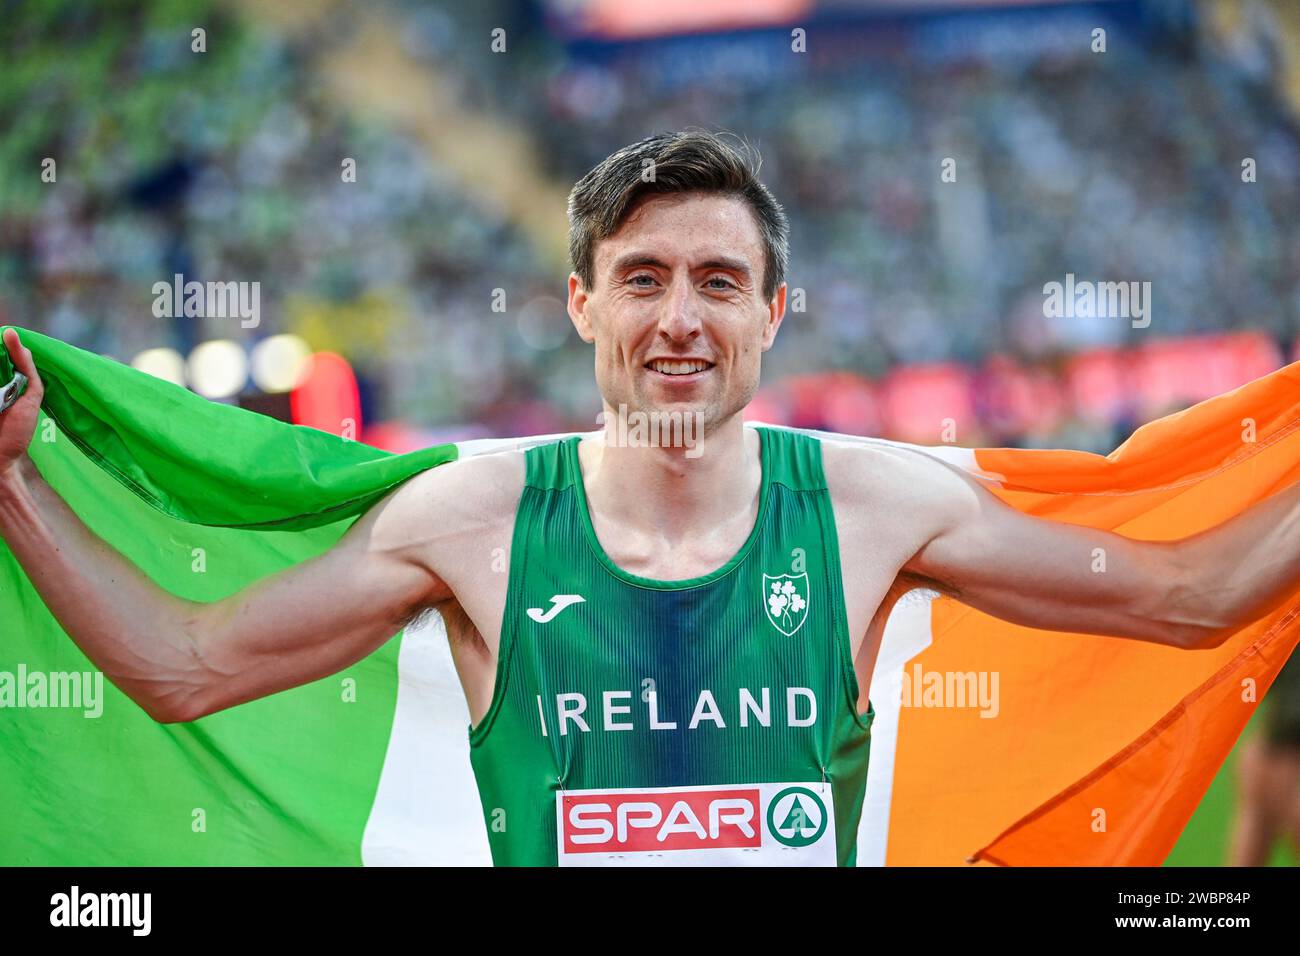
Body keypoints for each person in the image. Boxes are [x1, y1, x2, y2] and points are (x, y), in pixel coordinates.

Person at [1, 130, 1298, 866]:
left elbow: (1192, 598)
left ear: (774, 313)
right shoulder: (477, 519)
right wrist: (13, 486)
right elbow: (184, 665)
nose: (680, 318)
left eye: (720, 283)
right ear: (582, 304)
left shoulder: (873, 508)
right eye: (644, 278)